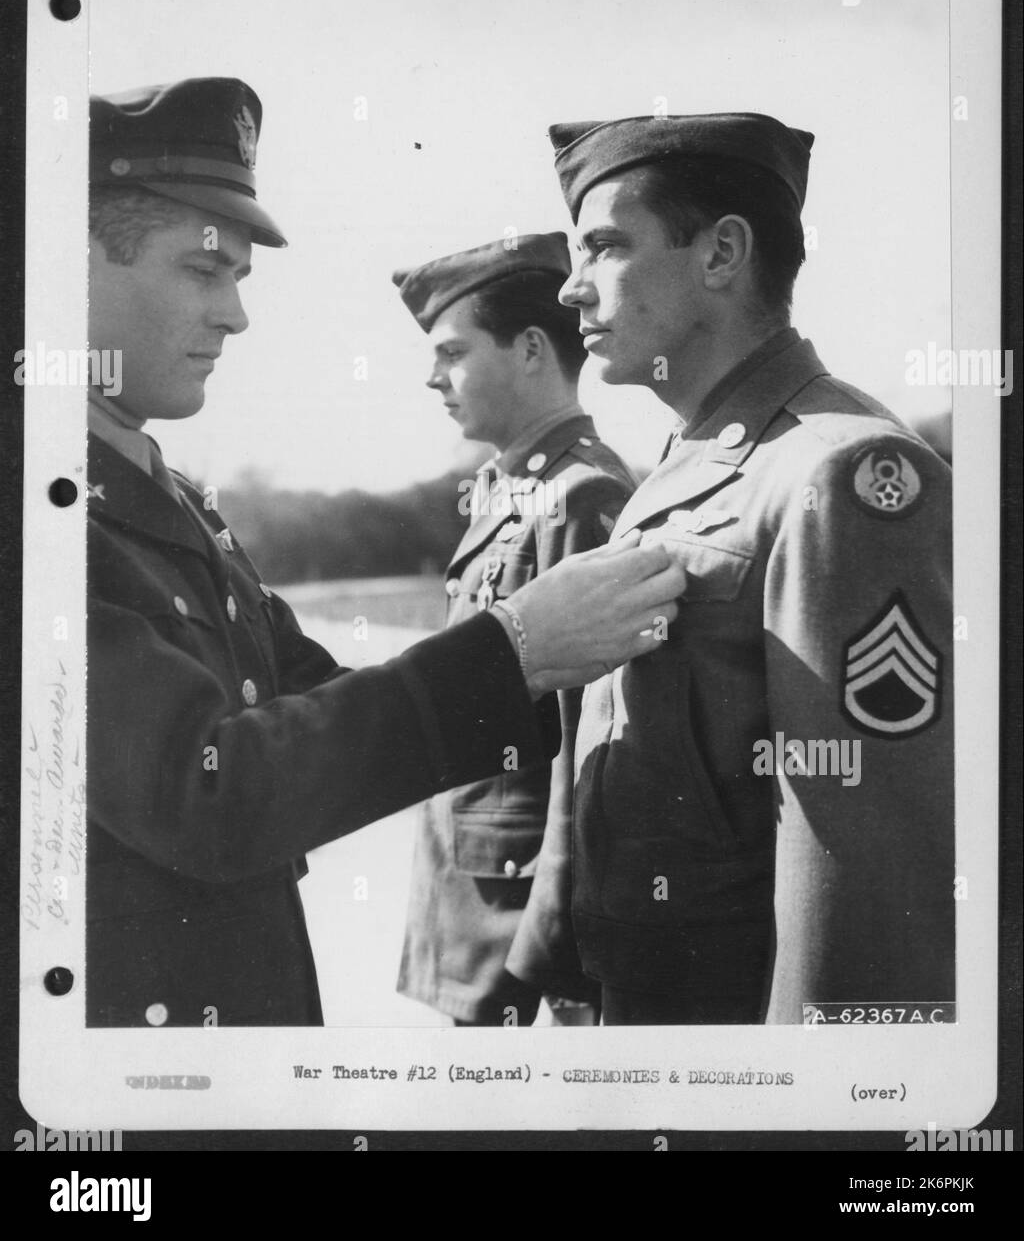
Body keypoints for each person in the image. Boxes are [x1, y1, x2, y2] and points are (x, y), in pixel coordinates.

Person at [82, 78, 687, 1028]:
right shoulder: (51, 514)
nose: (236, 315)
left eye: (239, 277)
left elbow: (309, 694)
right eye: (204, 271)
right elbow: (210, 787)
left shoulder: (165, 492)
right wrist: (514, 648)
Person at [542, 111, 954, 1025]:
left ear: (723, 253)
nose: (570, 290)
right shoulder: (691, 461)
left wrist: (811, 1104)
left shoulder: (838, 473)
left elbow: (866, 863)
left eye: (603, 247)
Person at [392, 235, 636, 1026]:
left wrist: (550, 948)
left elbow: (592, 751)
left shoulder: (581, 494)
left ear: (532, 349)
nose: (434, 377)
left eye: (453, 353)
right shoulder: (505, 487)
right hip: (472, 900)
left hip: (521, 928)